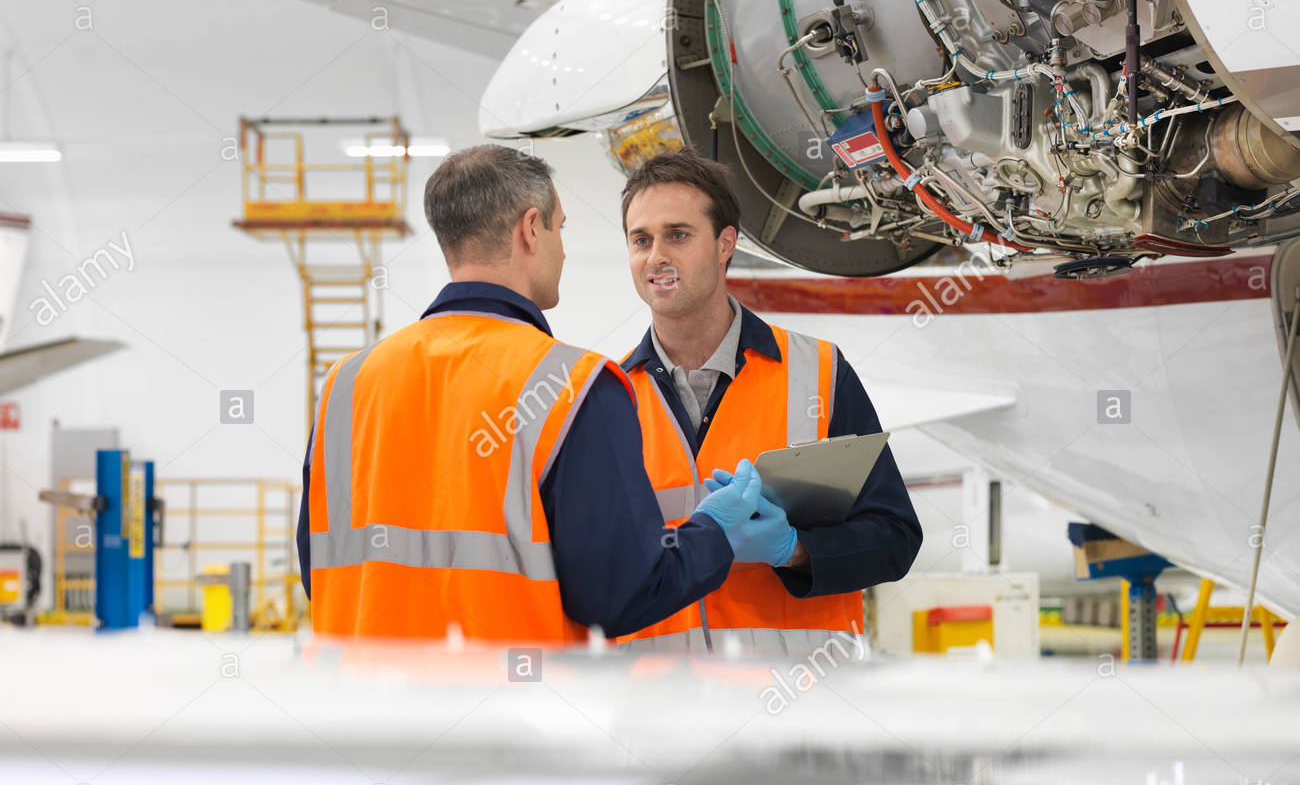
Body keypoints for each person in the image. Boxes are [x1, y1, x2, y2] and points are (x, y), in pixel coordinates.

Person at [296, 144, 764, 644]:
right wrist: (712, 532)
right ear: (531, 228)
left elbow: (318, 569)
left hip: (357, 708)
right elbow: (619, 593)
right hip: (510, 708)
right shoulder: (573, 385)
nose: (562, 249)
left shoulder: (347, 384)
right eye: (560, 228)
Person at [618, 149, 922, 653]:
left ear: (725, 243)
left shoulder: (819, 372)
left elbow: (894, 540)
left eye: (678, 234)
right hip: (662, 706)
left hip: (799, 701)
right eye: (640, 240)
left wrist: (795, 550)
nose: (656, 257)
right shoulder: (608, 395)